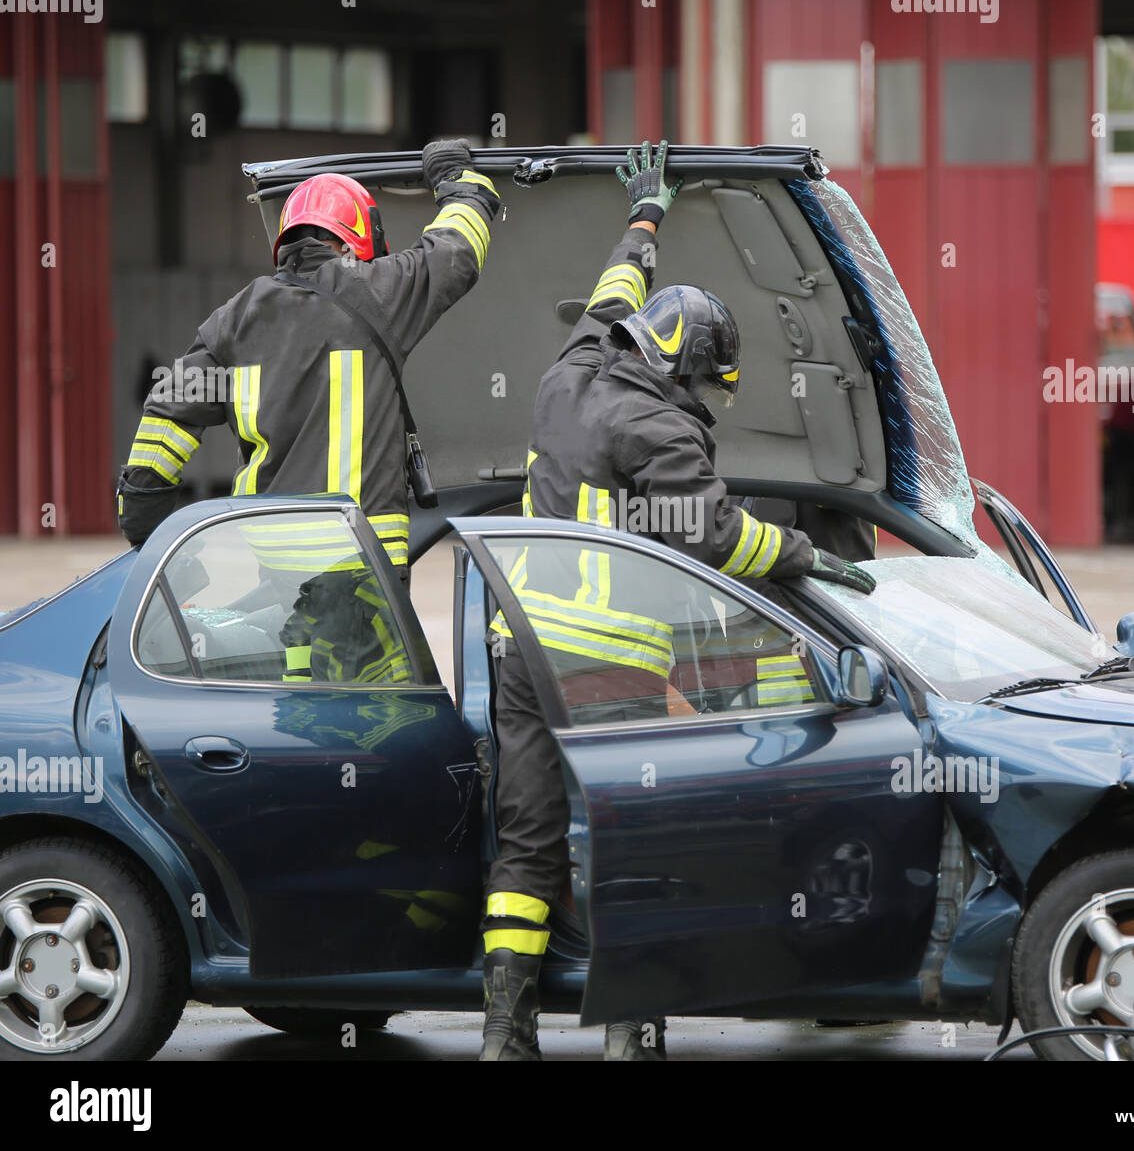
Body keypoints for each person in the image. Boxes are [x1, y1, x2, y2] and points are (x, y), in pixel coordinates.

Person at [479, 140, 873, 1061]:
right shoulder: (661, 428)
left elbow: (611, 293)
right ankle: (633, 1033)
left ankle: (505, 1033)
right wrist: (808, 554)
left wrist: (646, 217)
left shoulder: (568, 373)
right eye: (708, 384)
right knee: (634, 839)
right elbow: (718, 538)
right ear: (684, 368)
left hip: (519, 653)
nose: (709, 403)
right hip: (606, 663)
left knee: (527, 841)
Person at [116, 140, 499, 679]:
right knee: (382, 705)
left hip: (273, 557)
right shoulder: (380, 290)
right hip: (360, 561)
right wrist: (460, 181)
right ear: (357, 239)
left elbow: (169, 410)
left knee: (301, 679)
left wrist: (143, 517)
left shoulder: (237, 317)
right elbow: (457, 252)